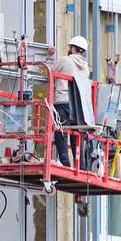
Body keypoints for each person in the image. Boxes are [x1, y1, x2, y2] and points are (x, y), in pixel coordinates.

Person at [50, 36, 88, 166]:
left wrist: (49, 56)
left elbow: (48, 71)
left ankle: (65, 164)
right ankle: (80, 166)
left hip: (62, 102)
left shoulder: (66, 60)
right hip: (78, 105)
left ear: (72, 48)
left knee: (61, 132)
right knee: (76, 134)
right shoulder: (86, 67)